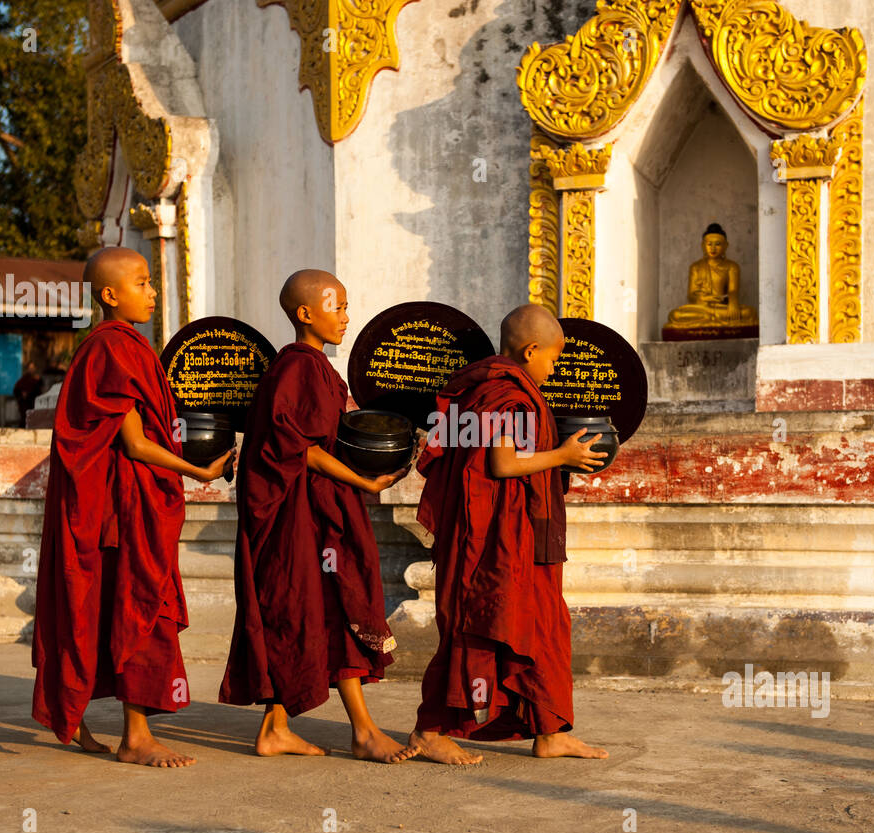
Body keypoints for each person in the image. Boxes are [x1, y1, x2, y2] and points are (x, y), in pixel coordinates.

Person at [31, 246, 231, 768]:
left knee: (116, 607)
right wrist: (200, 472)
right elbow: (135, 445)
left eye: (150, 282)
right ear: (110, 295)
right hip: (123, 511)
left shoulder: (123, 346)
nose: (153, 291)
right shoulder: (113, 350)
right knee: (139, 608)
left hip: (127, 505)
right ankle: (136, 737)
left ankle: (83, 719)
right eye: (142, 283)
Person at [218, 269, 417, 764]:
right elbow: (299, 449)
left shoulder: (316, 369)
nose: (346, 317)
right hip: (301, 514)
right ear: (306, 314)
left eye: (347, 307)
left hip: (313, 509)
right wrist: (363, 481)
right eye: (337, 307)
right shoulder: (298, 369)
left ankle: (275, 727)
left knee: (312, 611)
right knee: (332, 606)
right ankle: (364, 731)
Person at [409, 303, 609, 764]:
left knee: (543, 624)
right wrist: (563, 457)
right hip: (495, 540)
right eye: (553, 359)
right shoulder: (505, 393)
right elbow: (502, 464)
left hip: (519, 531)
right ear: (531, 349)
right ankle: (430, 729)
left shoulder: (496, 388)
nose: (554, 369)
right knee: (481, 623)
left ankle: (550, 730)